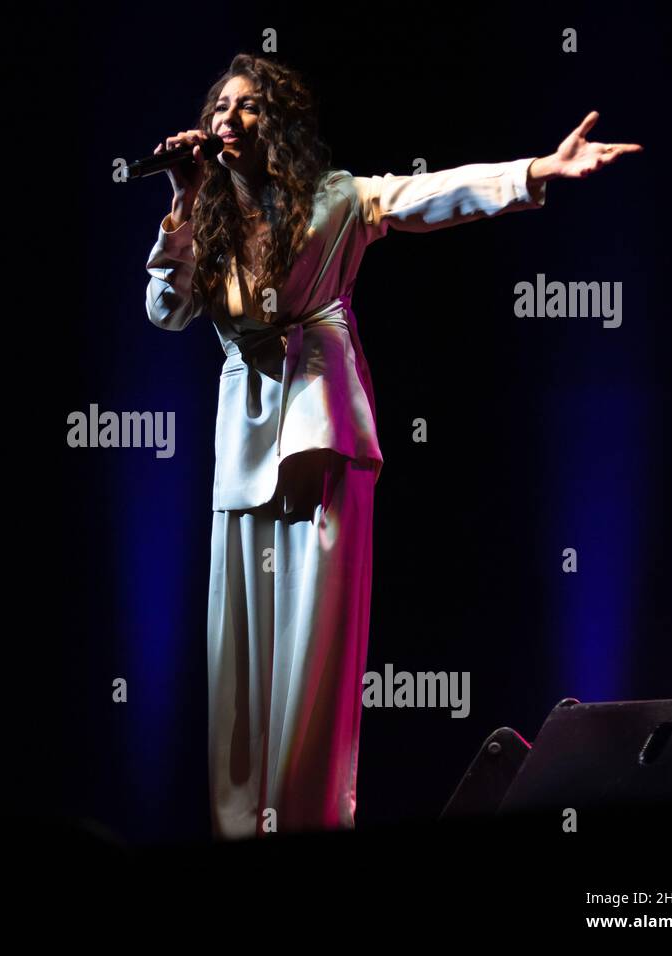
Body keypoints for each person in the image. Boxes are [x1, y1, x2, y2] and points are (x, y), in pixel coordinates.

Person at [144, 53, 641, 839]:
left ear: (278, 125)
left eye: (247, 108)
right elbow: (165, 311)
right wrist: (182, 198)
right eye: (219, 109)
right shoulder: (205, 214)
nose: (226, 120)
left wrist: (541, 169)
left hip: (324, 436)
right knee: (235, 664)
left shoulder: (337, 200)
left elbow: (433, 192)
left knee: (313, 662)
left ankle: (308, 825)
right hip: (241, 453)